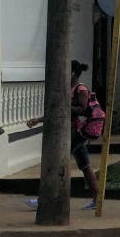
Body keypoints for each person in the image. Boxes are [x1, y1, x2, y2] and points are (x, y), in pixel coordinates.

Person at [25, 60, 99, 211]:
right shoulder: (68, 88)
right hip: (72, 132)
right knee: (85, 166)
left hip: (75, 132)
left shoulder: (80, 89)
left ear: (72, 73)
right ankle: (98, 199)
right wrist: (38, 120)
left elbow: (84, 110)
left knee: (56, 161)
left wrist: (66, 106)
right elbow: (58, 111)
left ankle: (44, 199)